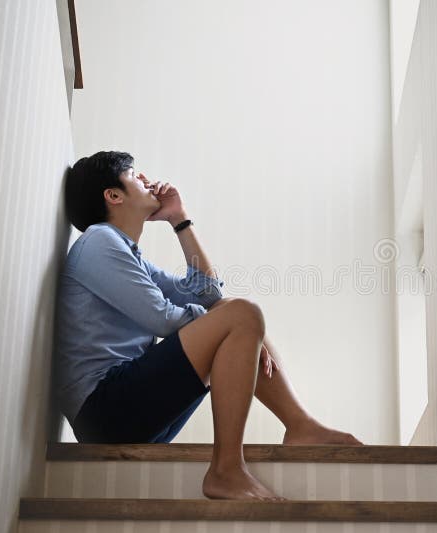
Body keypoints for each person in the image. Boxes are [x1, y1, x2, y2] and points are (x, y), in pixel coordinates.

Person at [54, 150, 362, 501]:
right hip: (104, 411)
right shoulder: (99, 240)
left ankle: (300, 425)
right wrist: (237, 332)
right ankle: (226, 469)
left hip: (129, 416)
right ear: (113, 195)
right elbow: (163, 319)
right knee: (240, 315)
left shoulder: (129, 255)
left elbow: (208, 294)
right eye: (135, 175)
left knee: (235, 313)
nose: (146, 180)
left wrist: (179, 219)